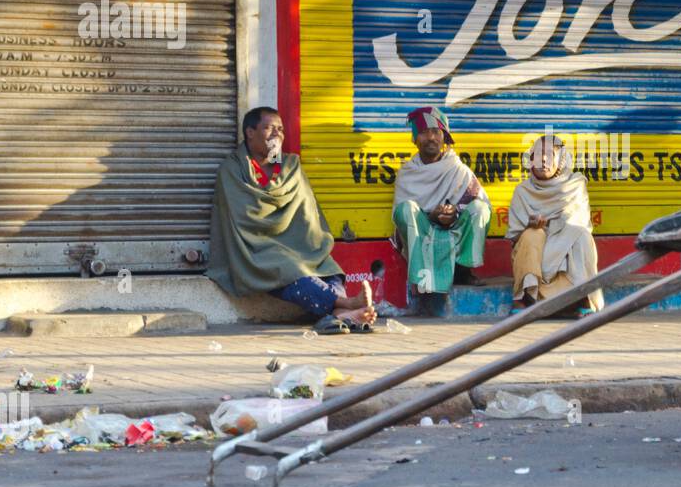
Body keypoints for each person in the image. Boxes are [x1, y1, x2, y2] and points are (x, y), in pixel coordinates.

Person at [207, 107, 376, 334]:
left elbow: (307, 215)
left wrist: (309, 245)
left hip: (299, 246)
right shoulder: (232, 169)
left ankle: (341, 314)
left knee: (327, 267)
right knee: (292, 268)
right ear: (250, 132)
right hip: (257, 251)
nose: (277, 135)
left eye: (281, 129)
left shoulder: (290, 166)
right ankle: (347, 305)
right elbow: (244, 217)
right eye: (269, 128)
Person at [392, 106, 491, 297]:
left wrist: (453, 213)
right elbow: (402, 217)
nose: (431, 138)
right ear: (414, 139)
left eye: (436, 132)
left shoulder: (458, 169)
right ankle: (424, 278)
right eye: (423, 132)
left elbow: (476, 201)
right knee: (405, 209)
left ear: (444, 137)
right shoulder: (407, 174)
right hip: (425, 230)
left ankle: (463, 271)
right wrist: (431, 216)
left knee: (481, 208)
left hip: (455, 229)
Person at [507, 134, 602, 316]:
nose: (543, 159)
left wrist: (552, 227)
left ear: (561, 160)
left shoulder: (575, 185)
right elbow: (514, 236)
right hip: (536, 256)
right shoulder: (522, 191)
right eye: (538, 154)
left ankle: (582, 297)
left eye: (550, 155)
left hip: (565, 247)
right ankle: (524, 297)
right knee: (531, 235)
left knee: (581, 235)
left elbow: (577, 220)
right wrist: (531, 226)